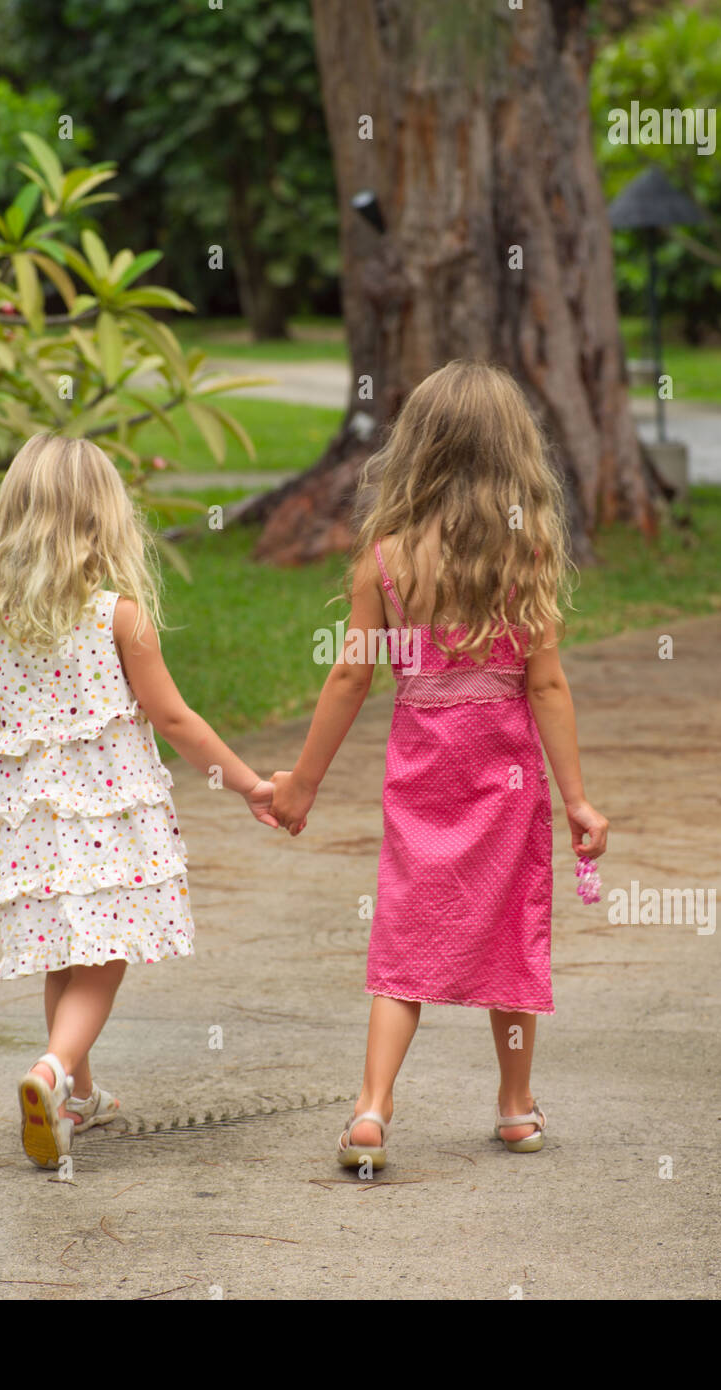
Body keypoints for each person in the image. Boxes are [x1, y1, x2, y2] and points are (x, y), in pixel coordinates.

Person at [270, 361, 609, 1171]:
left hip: (423, 771)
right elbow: (547, 683)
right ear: (514, 456)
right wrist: (578, 801)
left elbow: (352, 674)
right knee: (512, 939)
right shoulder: (525, 555)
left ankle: (371, 1110)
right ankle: (517, 1108)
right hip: (507, 776)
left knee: (404, 942)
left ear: (416, 450)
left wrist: (302, 784)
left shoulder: (386, 561)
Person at [0, 432, 278, 1169]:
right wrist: (250, 783)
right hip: (111, 826)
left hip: (36, 824)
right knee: (101, 965)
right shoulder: (118, 615)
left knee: (65, 959)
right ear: (104, 521)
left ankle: (74, 1096)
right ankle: (51, 1072)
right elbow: (174, 721)